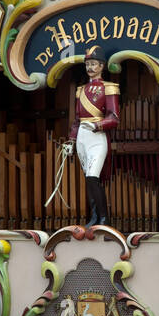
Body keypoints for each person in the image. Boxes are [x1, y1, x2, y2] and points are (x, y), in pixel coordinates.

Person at [62, 46, 119, 228]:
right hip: (82, 137)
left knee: (93, 176)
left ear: (102, 66)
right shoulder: (81, 90)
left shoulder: (109, 88)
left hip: (97, 135)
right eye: (88, 64)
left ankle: (104, 218)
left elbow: (114, 117)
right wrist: (71, 140)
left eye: (93, 64)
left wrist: (97, 125)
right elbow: (77, 120)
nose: (90, 67)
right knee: (88, 178)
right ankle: (94, 217)